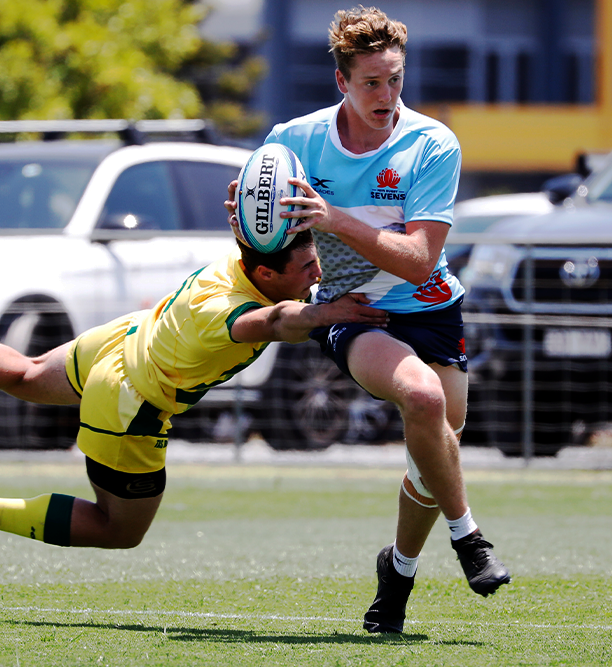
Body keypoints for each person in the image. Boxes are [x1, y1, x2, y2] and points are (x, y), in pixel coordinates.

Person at [0, 229, 387, 559]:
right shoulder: (233, 312)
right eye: (307, 264)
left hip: (121, 343)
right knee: (119, 530)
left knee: (22, 373)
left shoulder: (239, 257)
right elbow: (274, 324)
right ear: (265, 275)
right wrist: (325, 312)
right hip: (131, 400)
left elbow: (259, 241)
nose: (316, 270)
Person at [225, 5, 510, 633]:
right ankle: (471, 540)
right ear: (342, 83)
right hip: (352, 312)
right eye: (371, 83)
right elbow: (264, 232)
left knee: (432, 453)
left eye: (396, 81)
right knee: (422, 397)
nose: (387, 96)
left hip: (431, 305)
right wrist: (251, 217)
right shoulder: (291, 141)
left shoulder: (432, 143)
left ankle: (398, 574)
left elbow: (417, 262)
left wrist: (333, 219)